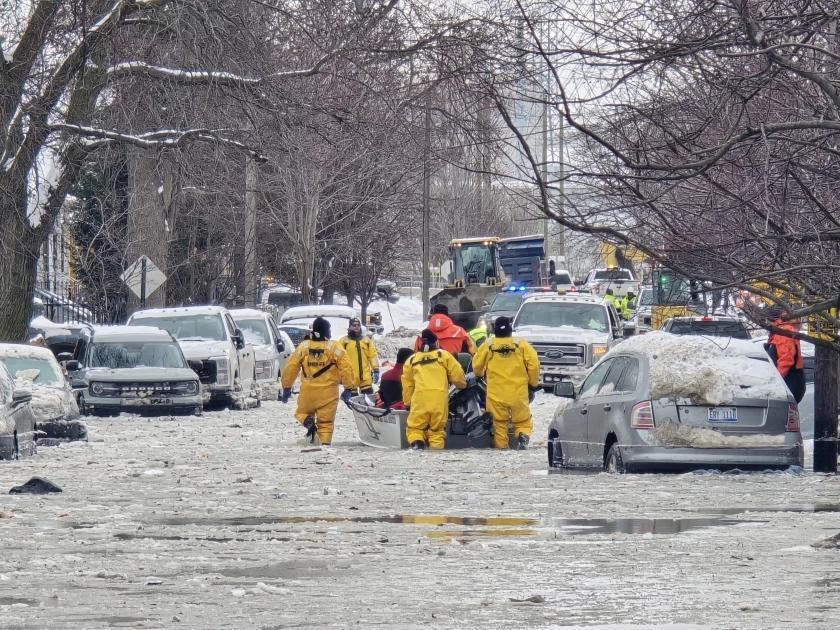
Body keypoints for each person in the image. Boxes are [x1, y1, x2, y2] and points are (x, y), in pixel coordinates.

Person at [280, 316, 355, 445]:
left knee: (301, 412)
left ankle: (308, 420)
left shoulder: (304, 347)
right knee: (325, 424)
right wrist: (348, 388)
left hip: (307, 392)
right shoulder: (334, 347)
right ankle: (324, 446)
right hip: (328, 394)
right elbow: (347, 368)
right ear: (326, 331)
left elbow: (291, 367)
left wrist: (286, 386)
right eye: (329, 329)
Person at [472, 316, 540, 449]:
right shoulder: (521, 344)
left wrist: (479, 375)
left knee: (499, 423)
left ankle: (501, 448)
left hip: (496, 393)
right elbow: (534, 365)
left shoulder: (488, 344)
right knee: (522, 421)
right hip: (518, 392)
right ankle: (523, 434)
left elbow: (477, 365)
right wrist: (533, 383)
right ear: (510, 329)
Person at [402, 329, 467, 449]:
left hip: (420, 400)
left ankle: (417, 444)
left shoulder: (411, 360)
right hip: (439, 401)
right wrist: (463, 385)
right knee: (437, 431)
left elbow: (408, 385)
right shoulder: (444, 355)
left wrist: (408, 403)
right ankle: (436, 455)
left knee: (415, 428)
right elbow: (458, 377)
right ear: (436, 342)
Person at [767, 309, 806, 403]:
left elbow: (786, 361)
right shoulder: (785, 330)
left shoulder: (783, 332)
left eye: (766, 321)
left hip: (789, 382)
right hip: (794, 380)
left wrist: (776, 381)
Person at [340, 317, 380, 394]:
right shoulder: (344, 341)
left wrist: (376, 369)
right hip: (351, 378)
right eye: (354, 325)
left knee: (368, 401)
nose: (356, 327)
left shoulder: (366, 341)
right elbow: (338, 358)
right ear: (350, 326)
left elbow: (373, 355)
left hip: (365, 377)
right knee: (352, 403)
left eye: (358, 325)